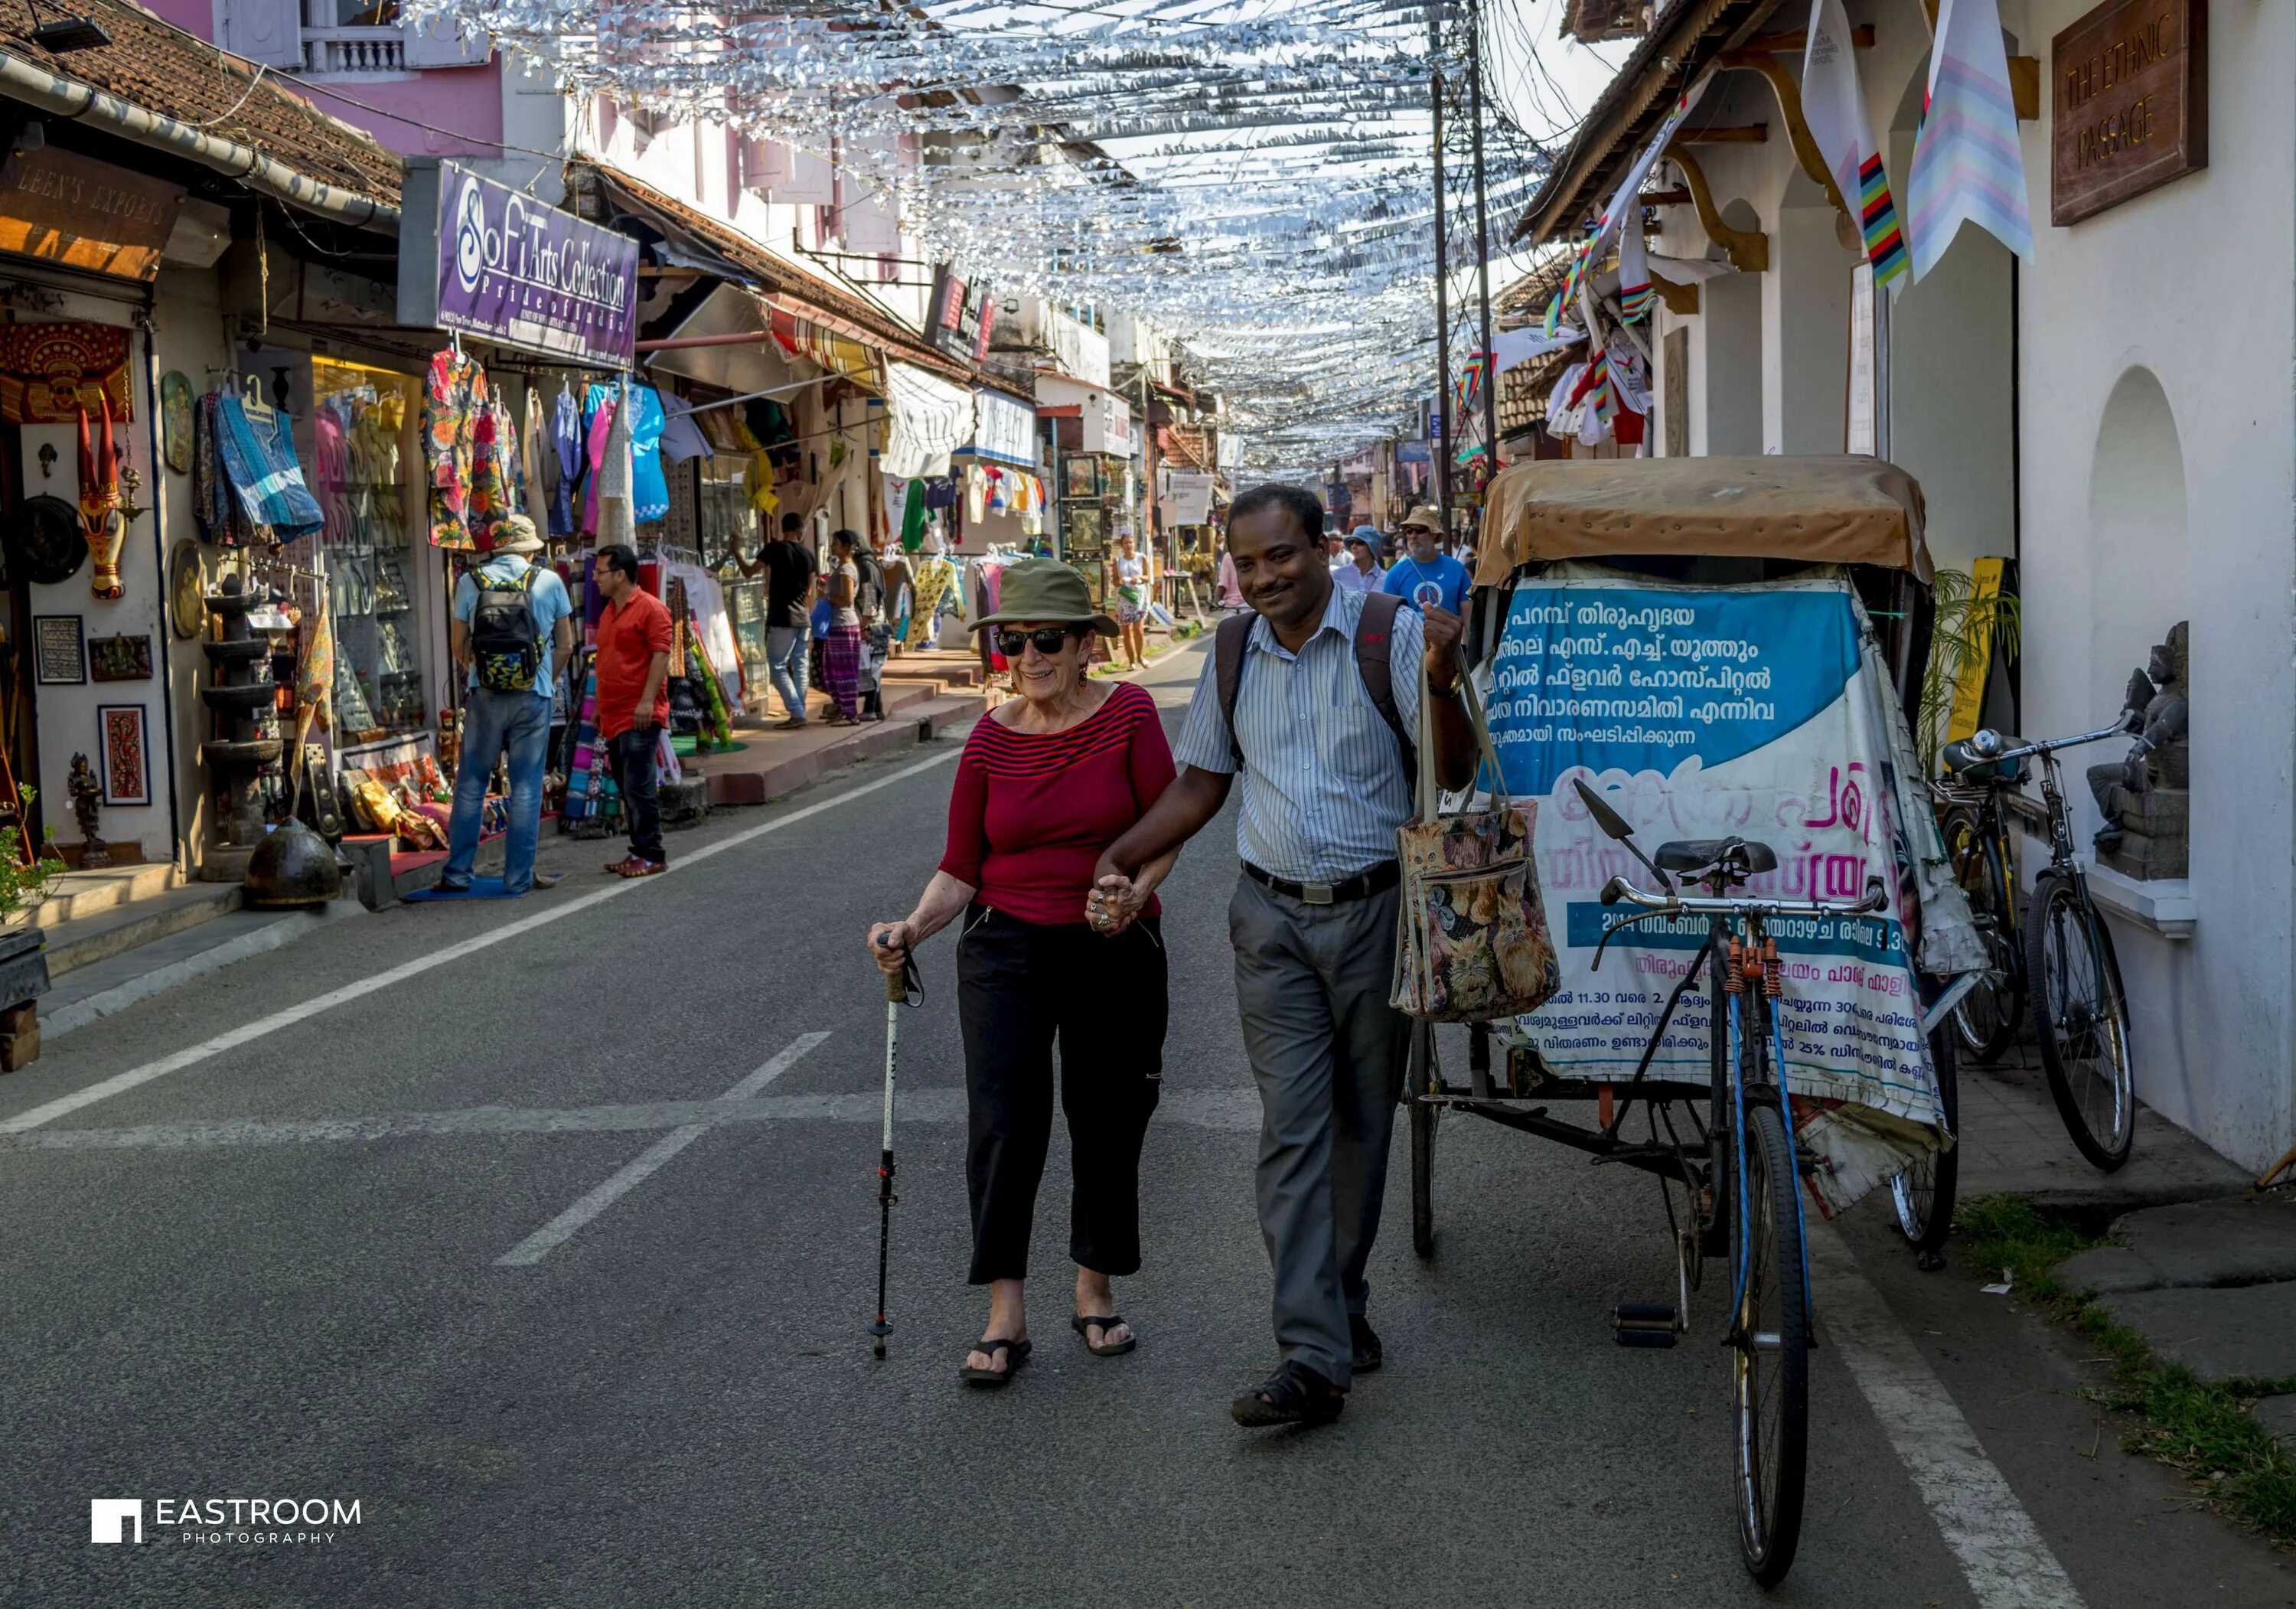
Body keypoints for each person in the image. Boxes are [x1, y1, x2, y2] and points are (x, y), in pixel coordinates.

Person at [1095, 481, 1474, 1429]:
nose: (1263, 576)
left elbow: (1458, 769)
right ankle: (1310, 1352)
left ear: (1324, 548)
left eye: (1281, 556)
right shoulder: (1232, 649)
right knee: (1294, 1129)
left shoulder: (1388, 633)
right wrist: (1124, 852)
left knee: (1361, 1126)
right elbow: (1202, 783)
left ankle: (1340, 1304)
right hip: (1268, 920)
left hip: (1378, 915)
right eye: (1249, 562)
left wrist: (1439, 678)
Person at [867, 558, 1182, 1389]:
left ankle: (1094, 1284)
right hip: (1005, 945)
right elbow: (961, 868)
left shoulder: (1130, 715)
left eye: (1049, 639)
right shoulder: (988, 739)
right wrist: (911, 927)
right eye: (1014, 638)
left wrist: (1133, 893)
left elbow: (1168, 825)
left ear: (1086, 646)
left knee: (1108, 1114)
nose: (1029, 655)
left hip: (1110, 944)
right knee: (1006, 1119)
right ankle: (1006, 1308)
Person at [438, 515, 573, 896]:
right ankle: (517, 878)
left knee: (470, 786)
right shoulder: (549, 581)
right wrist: (547, 676)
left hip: (485, 696)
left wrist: (480, 673)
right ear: (530, 548)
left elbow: (458, 643)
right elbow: (566, 645)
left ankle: (458, 874)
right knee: (527, 787)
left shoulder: (470, 581)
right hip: (534, 696)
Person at [592, 543, 673, 878]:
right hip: (614, 713)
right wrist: (600, 707)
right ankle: (639, 850)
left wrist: (646, 701)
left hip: (639, 713)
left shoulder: (651, 609)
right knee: (627, 786)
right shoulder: (609, 611)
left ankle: (653, 853)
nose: (595, 578)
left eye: (600, 572)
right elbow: (607, 662)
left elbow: (661, 655)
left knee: (639, 786)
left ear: (620, 575)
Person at [741, 511, 816, 729]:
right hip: (803, 617)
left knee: (777, 666)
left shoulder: (773, 549)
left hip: (782, 618)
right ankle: (799, 711)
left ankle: (796, 711)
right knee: (801, 666)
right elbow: (810, 589)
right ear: (799, 530)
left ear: (783, 529)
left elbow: (747, 572)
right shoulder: (808, 554)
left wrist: (736, 552)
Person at [1382, 506, 1472, 615]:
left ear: (1434, 534)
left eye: (1420, 530)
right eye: (1409, 531)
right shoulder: (1395, 574)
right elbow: (1387, 618)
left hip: (1449, 630)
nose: (1413, 536)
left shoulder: (1457, 570)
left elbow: (1468, 620)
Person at [821, 529, 867, 725]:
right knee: (833, 671)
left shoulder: (847, 570)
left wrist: (827, 598)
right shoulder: (842, 568)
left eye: (836, 543)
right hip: (837, 625)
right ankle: (842, 708)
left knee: (844, 672)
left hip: (844, 625)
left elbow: (847, 599)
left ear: (846, 547)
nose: (832, 546)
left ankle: (850, 714)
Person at [1112, 533, 1150, 670]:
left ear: (1134, 544)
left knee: (1138, 629)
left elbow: (1148, 577)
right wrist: (1119, 581)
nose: (1129, 545)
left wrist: (1139, 578)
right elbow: (1115, 581)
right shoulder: (1118, 561)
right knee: (1127, 630)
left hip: (1138, 597)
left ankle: (1140, 656)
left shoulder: (1141, 558)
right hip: (1124, 597)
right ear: (1122, 545)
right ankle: (1131, 661)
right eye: (1126, 543)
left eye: (1131, 542)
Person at [1330, 526, 1384, 593]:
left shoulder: (1386, 579)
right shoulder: (1337, 575)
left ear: (1372, 546)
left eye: (1359, 542)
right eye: (1352, 542)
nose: (1353, 547)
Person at [1215, 538, 1247, 612]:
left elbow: (1223, 582)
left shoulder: (1228, 557)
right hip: (1249, 604)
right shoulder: (1252, 554)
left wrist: (1218, 601)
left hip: (1232, 607)